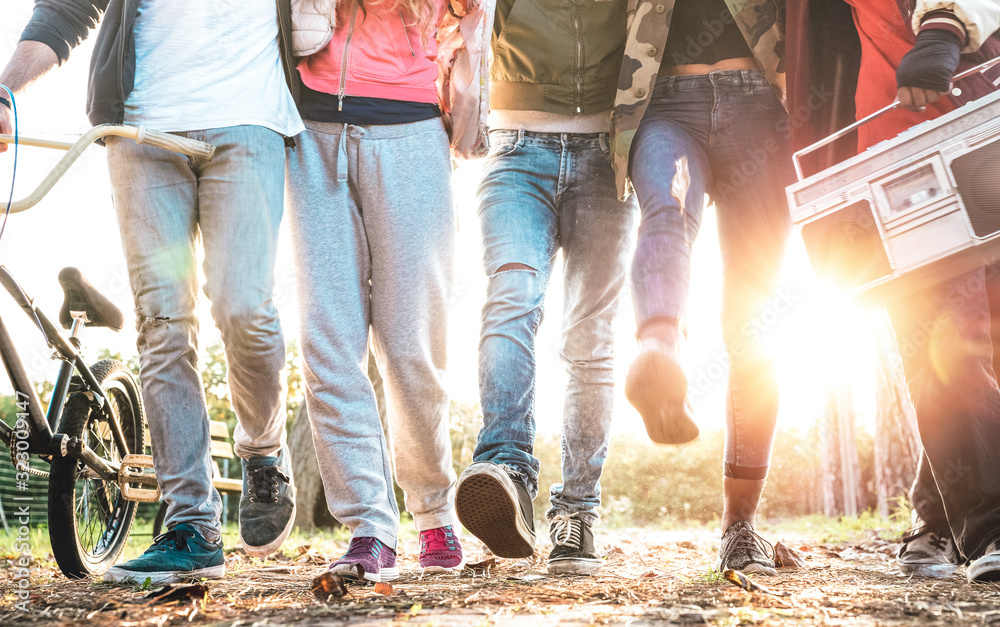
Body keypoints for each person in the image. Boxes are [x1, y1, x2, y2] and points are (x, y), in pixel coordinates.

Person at [0, 0, 303, 582]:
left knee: (244, 307)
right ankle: (192, 525)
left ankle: (263, 449)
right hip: (141, 128)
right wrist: (5, 90)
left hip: (250, 121)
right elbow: (65, 11)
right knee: (163, 322)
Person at [787, 0, 1000, 584]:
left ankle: (941, 520)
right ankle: (986, 525)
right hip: (894, 154)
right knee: (945, 341)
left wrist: (943, 28)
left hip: (978, 119)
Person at [285, 0, 469, 582]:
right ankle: (370, 525)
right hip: (312, 132)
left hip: (411, 132)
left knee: (412, 341)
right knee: (329, 340)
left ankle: (435, 509)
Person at [453, 0, 636, 576]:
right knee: (511, 300)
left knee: (590, 334)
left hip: (609, 155)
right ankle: (507, 470)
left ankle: (578, 512)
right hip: (516, 151)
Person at [611, 0, 794, 575]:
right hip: (663, 100)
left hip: (762, 100)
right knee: (671, 216)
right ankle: (659, 357)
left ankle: (659, 340)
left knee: (752, 308)